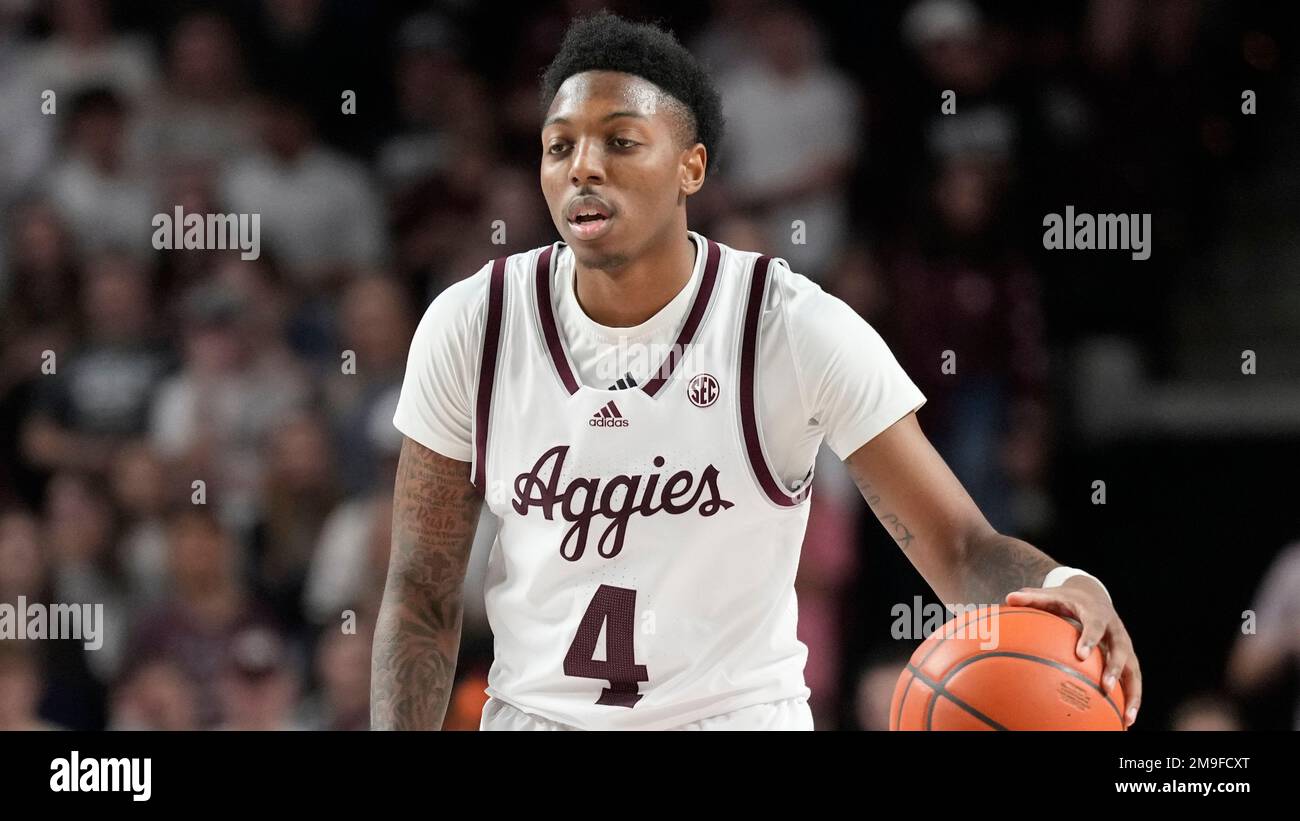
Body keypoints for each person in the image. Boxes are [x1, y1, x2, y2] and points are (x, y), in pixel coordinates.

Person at [371, 11, 1142, 731]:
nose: (583, 168)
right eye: (560, 144)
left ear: (692, 167)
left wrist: (1074, 587)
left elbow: (963, 547)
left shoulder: (792, 328)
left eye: (621, 141)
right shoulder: (474, 323)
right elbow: (421, 590)